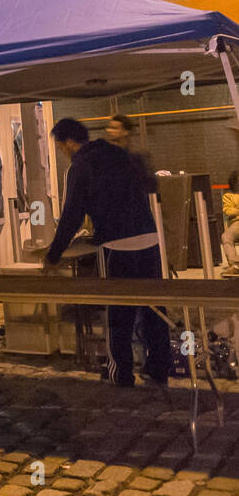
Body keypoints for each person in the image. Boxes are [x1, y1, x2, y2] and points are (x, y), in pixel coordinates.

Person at [42, 117, 170, 387]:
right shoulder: (123, 155)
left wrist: (53, 254)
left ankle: (120, 373)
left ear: (67, 144)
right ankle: (159, 369)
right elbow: (150, 186)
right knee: (154, 309)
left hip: (117, 246)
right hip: (149, 239)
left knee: (118, 313)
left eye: (60, 147)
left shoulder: (80, 166)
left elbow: (72, 216)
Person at [222, 172, 239, 278]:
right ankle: (236, 265)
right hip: (237, 224)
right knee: (226, 236)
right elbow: (228, 211)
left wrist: (236, 209)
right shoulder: (228, 196)